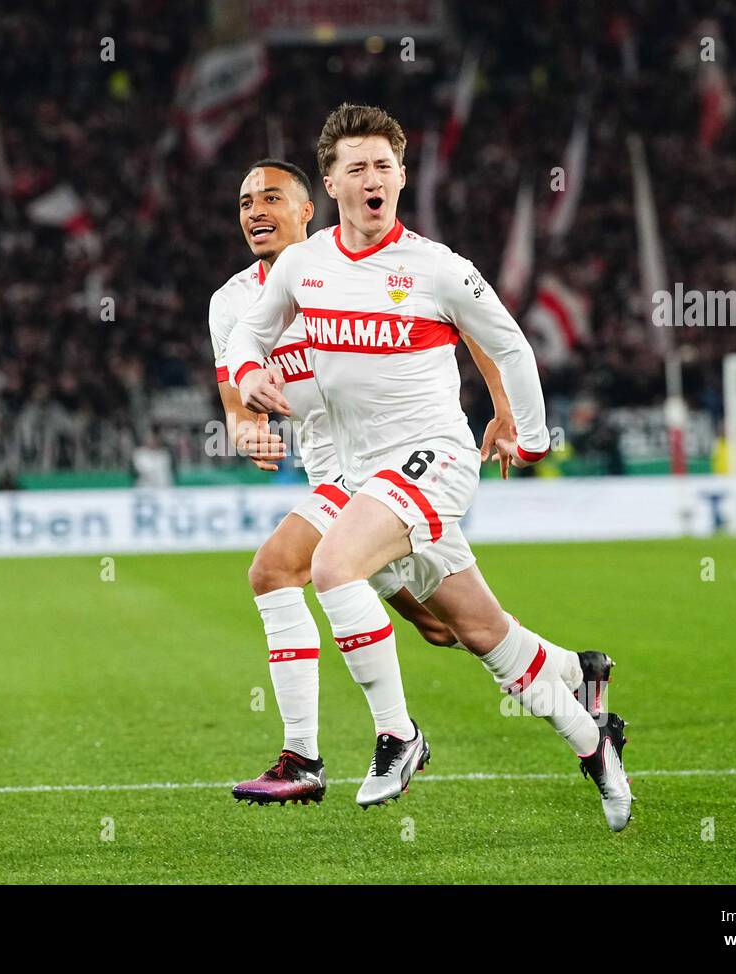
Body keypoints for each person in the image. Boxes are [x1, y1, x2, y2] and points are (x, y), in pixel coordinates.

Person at [225, 104, 630, 828]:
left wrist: (526, 434)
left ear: (402, 177)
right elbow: (245, 341)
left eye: (385, 166)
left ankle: (394, 737)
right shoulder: (302, 268)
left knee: (323, 568)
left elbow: (506, 345)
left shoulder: (439, 268)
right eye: (358, 167)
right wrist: (249, 381)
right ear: (334, 182)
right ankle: (590, 724)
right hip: (353, 478)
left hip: (432, 460)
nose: (373, 179)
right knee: (475, 635)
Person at [213, 158, 524, 806]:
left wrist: (504, 407)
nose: (255, 212)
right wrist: (247, 433)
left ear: (308, 209)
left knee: (448, 627)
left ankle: (564, 689)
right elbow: (237, 409)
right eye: (245, 203)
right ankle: (314, 754)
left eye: (271, 197)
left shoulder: (356, 275)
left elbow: (477, 327)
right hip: (332, 478)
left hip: (396, 471)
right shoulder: (234, 303)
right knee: (428, 623)